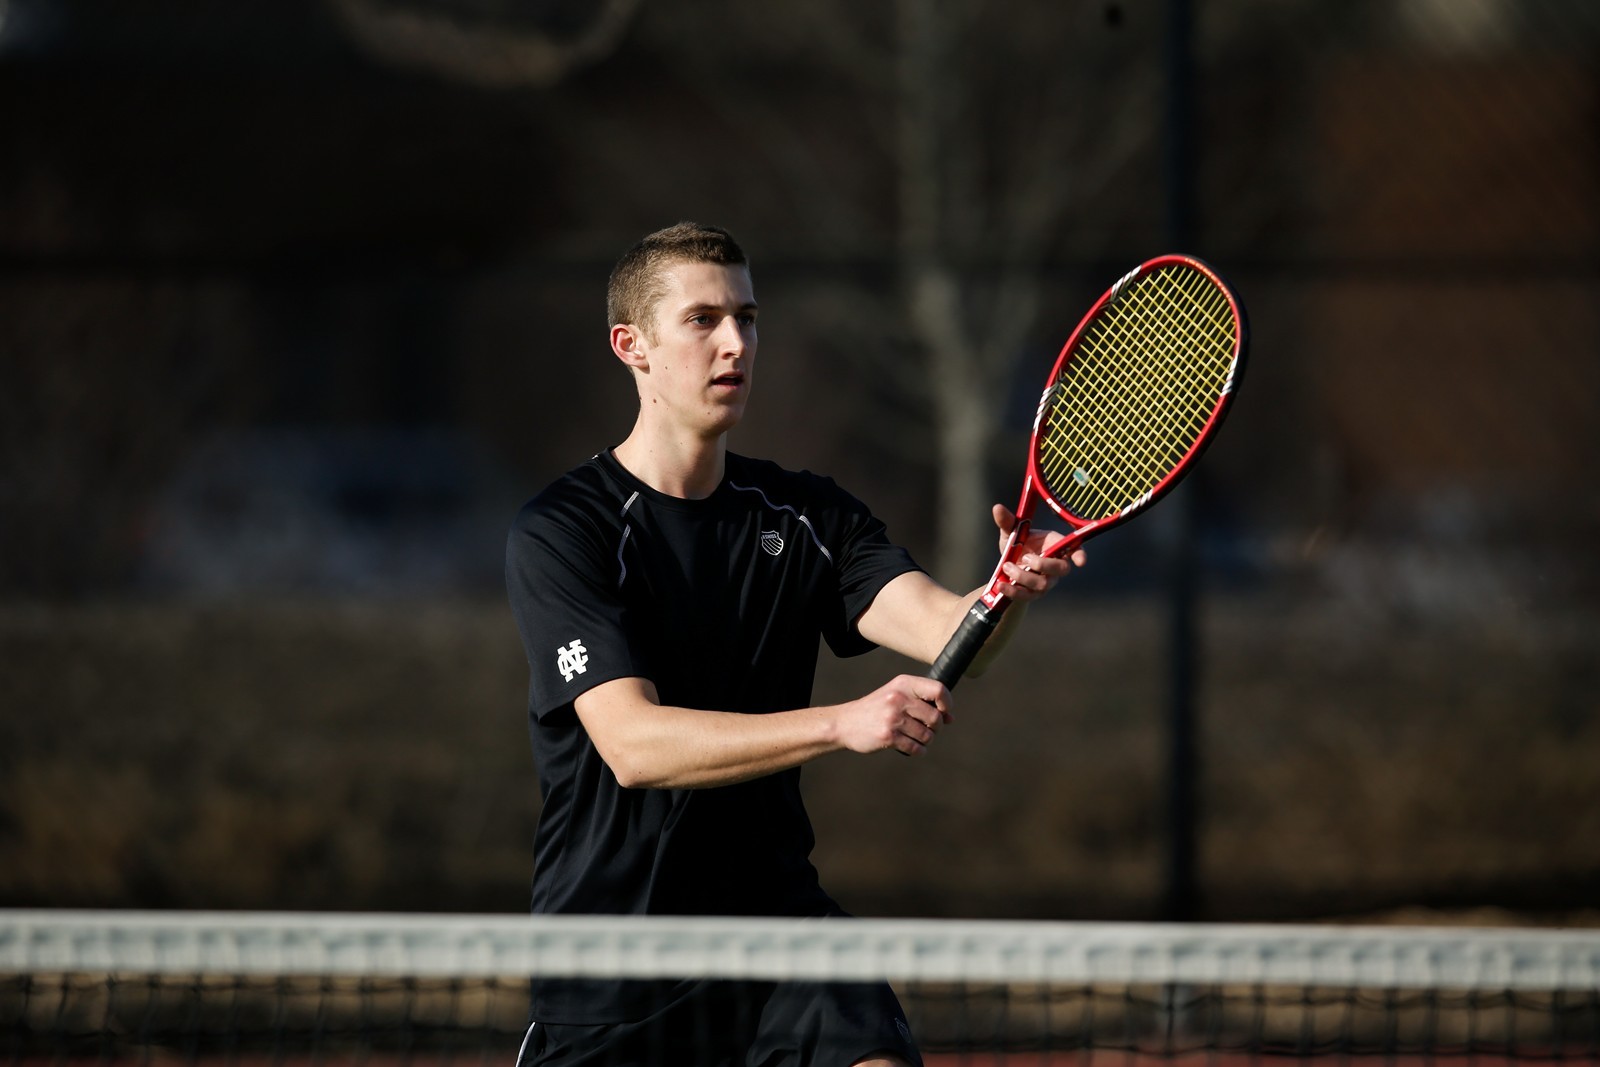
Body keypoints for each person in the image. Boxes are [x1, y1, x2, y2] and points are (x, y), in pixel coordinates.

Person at [505, 222, 1083, 1067]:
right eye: (703, 320)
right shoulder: (565, 531)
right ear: (632, 347)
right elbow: (632, 745)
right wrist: (839, 722)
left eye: (748, 316)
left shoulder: (809, 515)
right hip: (613, 961)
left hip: (777, 938)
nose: (736, 341)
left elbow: (949, 633)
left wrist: (1008, 588)